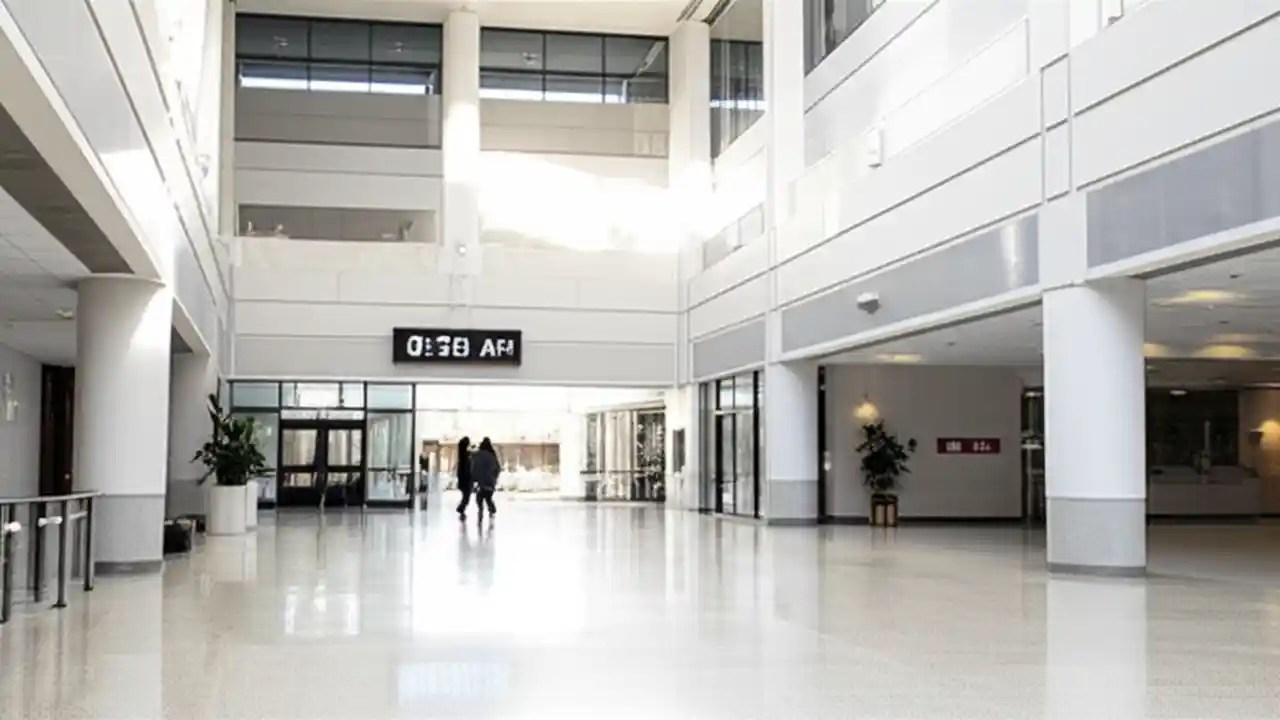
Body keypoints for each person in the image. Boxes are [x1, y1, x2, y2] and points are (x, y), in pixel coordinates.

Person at [470, 437, 501, 521]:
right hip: (490, 481)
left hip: (480, 480)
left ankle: (481, 509)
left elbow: (473, 468)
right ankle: (491, 509)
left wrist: (473, 479)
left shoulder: (477, 455)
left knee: (479, 497)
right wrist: (494, 477)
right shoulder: (492, 456)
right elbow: (497, 468)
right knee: (488, 497)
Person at [454, 436, 473, 521]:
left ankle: (461, 509)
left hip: (462, 480)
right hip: (466, 480)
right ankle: (460, 508)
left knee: (465, 497)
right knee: (466, 497)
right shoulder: (466, 457)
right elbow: (467, 469)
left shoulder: (462, 456)